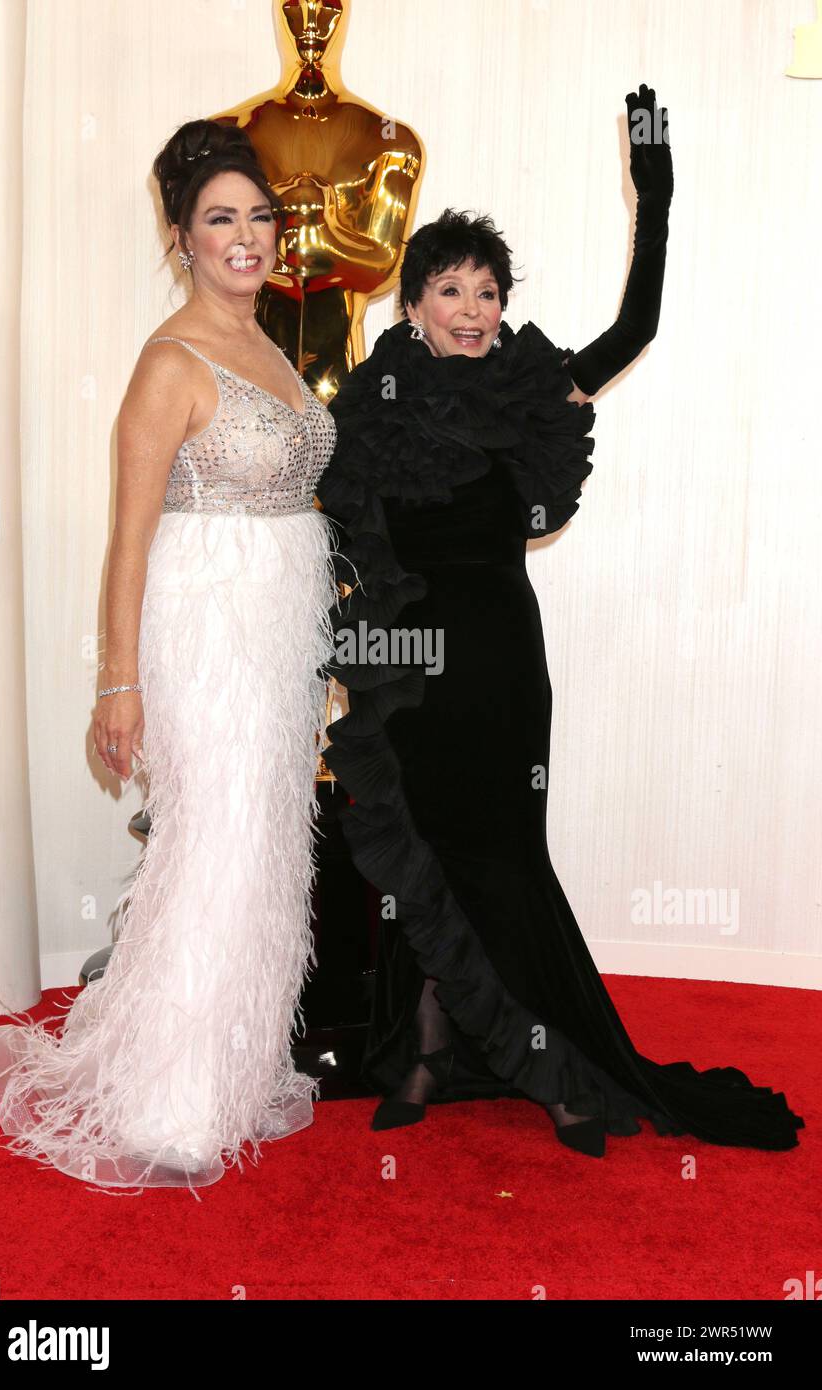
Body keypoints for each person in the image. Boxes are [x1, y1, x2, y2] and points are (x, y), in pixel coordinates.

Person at [315, 85, 804, 1157]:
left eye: (489, 290)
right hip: (409, 669)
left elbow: (635, 327)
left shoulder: (527, 394)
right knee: (431, 857)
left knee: (503, 856)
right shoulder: (369, 408)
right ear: (413, 306)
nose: (476, 308)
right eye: (451, 288)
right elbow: (333, 534)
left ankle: (559, 1068)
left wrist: (655, 199)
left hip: (500, 663)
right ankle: (431, 1050)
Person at [0, 119, 339, 1195]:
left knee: (265, 845)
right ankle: (165, 1096)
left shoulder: (274, 348)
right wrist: (118, 681)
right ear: (182, 237)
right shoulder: (170, 360)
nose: (245, 237)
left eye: (258, 216)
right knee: (213, 844)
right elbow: (128, 540)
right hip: (203, 631)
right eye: (218, 219)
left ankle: (230, 1065)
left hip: (279, 633)